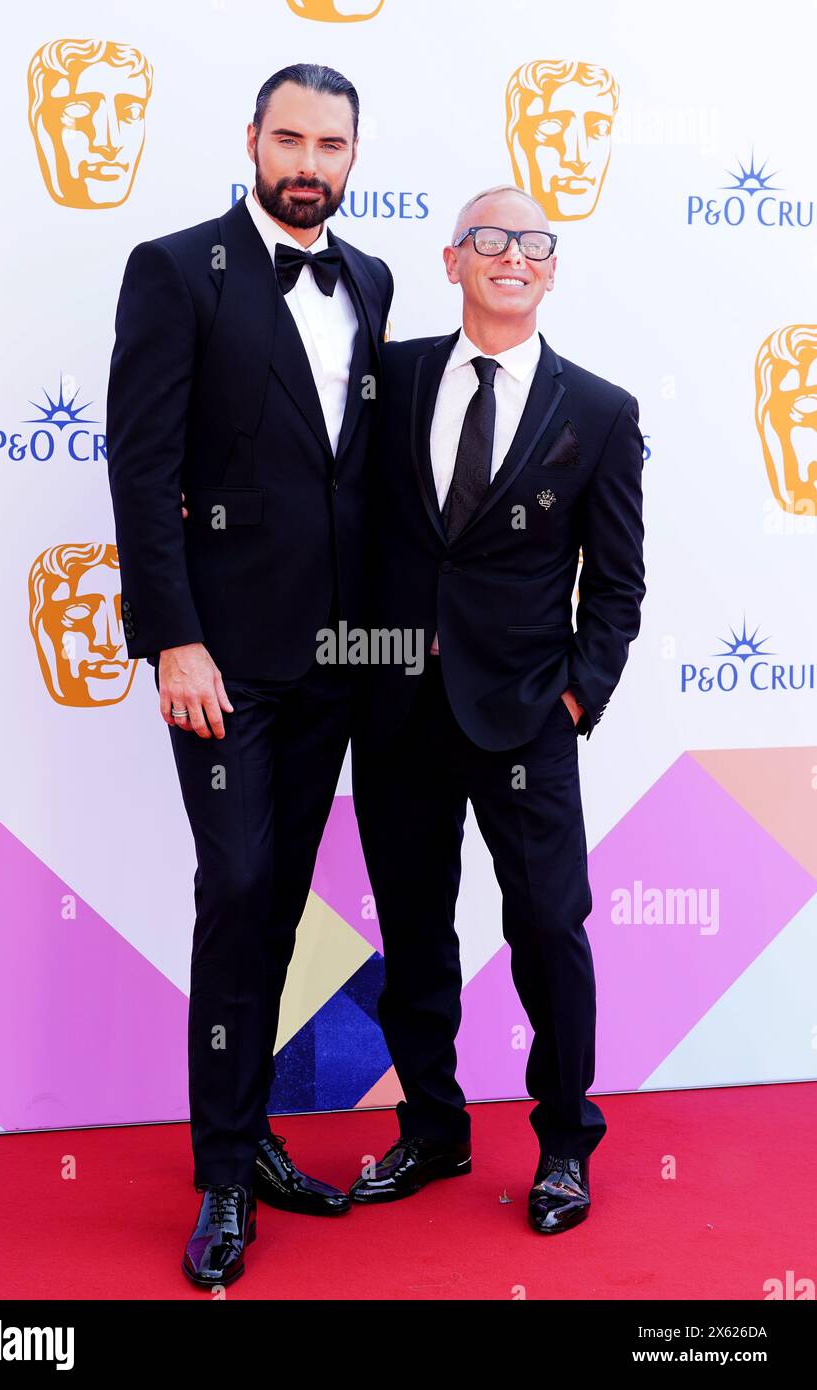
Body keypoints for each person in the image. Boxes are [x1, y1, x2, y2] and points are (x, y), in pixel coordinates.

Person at [106, 63, 393, 1286]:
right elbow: (138, 462)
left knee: (275, 902)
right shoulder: (178, 270)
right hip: (220, 661)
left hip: (334, 658)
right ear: (252, 139)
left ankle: (253, 1135)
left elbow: (365, 475)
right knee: (234, 889)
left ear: (352, 156)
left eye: (331, 142)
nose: (309, 161)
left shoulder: (370, 280)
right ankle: (222, 1176)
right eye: (291, 136)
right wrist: (171, 636)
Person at [348, 184, 645, 1234]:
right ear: (452, 259)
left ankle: (565, 1140)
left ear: (551, 268)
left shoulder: (600, 411)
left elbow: (615, 585)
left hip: (526, 716)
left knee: (548, 930)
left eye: (531, 243)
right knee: (416, 931)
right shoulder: (393, 376)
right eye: (489, 239)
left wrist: (576, 697)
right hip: (396, 713)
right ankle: (432, 1127)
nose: (510, 255)